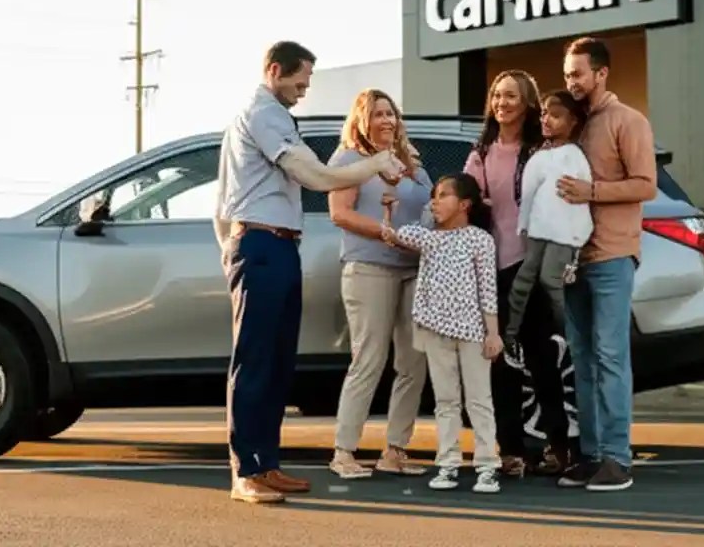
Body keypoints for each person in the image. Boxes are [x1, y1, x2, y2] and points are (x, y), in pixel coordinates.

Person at [212, 40, 406, 505]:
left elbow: (223, 201)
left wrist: (229, 244)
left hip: (276, 245)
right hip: (261, 244)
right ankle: (246, 472)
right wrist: (375, 164)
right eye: (300, 80)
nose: (305, 89)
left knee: (278, 362)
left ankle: (266, 464)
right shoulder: (263, 113)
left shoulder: (274, 118)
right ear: (275, 70)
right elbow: (315, 177)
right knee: (256, 360)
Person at [555, 36, 657, 493]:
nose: (571, 81)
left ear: (601, 73)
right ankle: (591, 455)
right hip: (572, 260)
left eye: (578, 73)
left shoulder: (628, 121)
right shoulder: (573, 125)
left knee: (611, 356)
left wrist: (591, 192)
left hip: (612, 255)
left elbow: (645, 185)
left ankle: (617, 458)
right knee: (581, 359)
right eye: (567, 74)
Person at [462, 70, 576, 478]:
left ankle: (559, 446)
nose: (502, 103)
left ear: (527, 103)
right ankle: (510, 450)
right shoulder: (482, 152)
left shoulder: (541, 151)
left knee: (543, 361)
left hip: (531, 270)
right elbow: (466, 201)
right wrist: (476, 202)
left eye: (511, 96)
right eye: (497, 95)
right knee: (500, 363)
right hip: (492, 271)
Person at [326, 89, 431, 479]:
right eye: (378, 114)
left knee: (413, 362)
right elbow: (340, 213)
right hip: (370, 267)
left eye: (391, 114)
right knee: (369, 359)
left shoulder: (412, 164)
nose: (387, 120)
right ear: (362, 120)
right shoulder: (350, 160)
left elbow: (430, 211)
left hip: (415, 269)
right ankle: (344, 452)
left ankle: (395, 451)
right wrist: (386, 233)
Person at [379, 173, 503, 494]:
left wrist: (493, 333)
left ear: (464, 204)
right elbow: (396, 234)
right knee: (446, 400)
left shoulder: (479, 240)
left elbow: (488, 289)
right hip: (436, 330)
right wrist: (390, 211)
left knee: (479, 399)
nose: (435, 202)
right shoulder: (430, 238)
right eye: (433, 195)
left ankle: (487, 464)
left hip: (472, 331)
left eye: (444, 195)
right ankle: (448, 462)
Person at [505, 90, 593, 348]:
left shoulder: (574, 156)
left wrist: (578, 234)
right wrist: (523, 225)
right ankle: (509, 335)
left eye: (555, 116)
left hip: (564, 235)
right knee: (523, 281)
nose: (546, 120)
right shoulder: (539, 156)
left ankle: (574, 338)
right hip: (538, 230)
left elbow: (579, 198)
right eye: (544, 114)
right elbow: (528, 195)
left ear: (573, 122)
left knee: (551, 280)